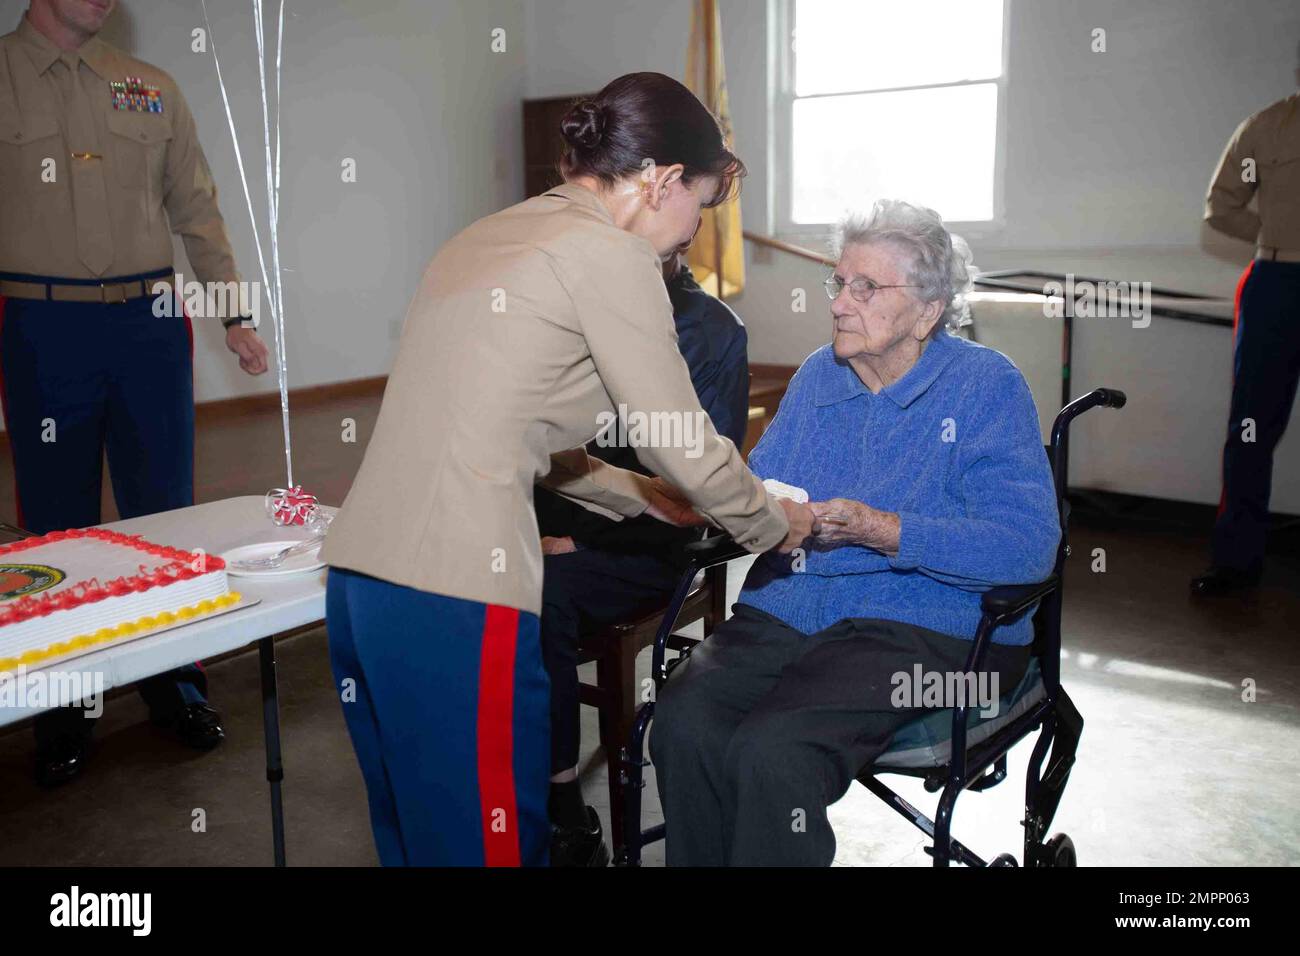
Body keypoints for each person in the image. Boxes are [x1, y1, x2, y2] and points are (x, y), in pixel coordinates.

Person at [321, 72, 815, 867]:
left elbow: (512, 432)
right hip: (459, 594)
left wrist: (645, 499)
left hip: (359, 585)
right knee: (493, 849)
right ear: (659, 180)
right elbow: (678, 438)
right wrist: (777, 522)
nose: (693, 232)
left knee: (416, 840)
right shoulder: (611, 256)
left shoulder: (486, 236)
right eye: (699, 204)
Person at [649, 199, 1060, 866]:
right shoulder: (819, 376)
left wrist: (885, 531)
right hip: (792, 607)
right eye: (839, 283)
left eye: (866, 287)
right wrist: (718, 498)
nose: (841, 303)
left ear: (928, 311)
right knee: (683, 724)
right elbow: (766, 488)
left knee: (772, 753)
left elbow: (1025, 548)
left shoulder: (986, 387)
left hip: (931, 625)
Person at [0, 0, 269, 787]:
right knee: (57, 528)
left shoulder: (149, 87)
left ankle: (175, 684)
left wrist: (233, 314)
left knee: (168, 513)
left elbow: (196, 207)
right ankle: (64, 703)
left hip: (151, 324)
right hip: (42, 326)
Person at [537, 249, 751, 866]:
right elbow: (540, 442)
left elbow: (703, 486)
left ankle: (561, 804)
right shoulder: (574, 313)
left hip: (658, 543)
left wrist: (585, 543)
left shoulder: (712, 332)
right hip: (559, 520)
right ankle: (491, 779)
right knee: (479, 578)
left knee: (539, 593)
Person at [1196, 72, 1300, 595]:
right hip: (1278, 281)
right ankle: (1237, 563)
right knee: (1252, 427)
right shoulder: (1268, 126)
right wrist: (1278, 230)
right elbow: (1222, 205)